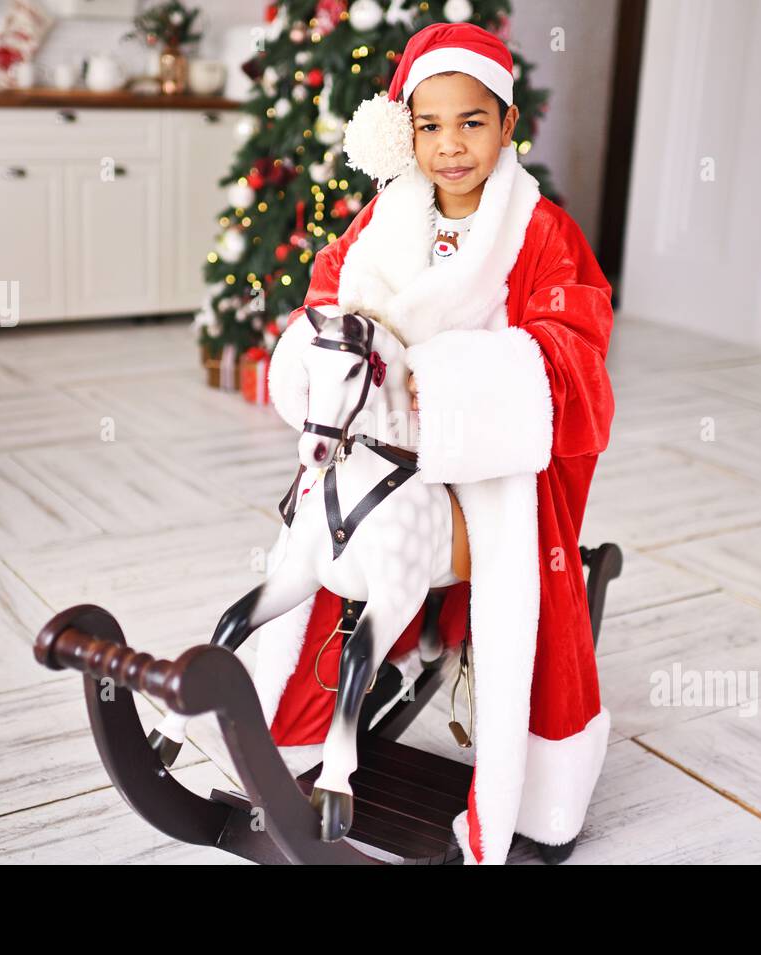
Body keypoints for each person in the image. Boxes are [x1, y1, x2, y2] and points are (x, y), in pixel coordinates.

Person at [254, 21, 616, 865]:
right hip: (383, 439)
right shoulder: (384, 218)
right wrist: (315, 363)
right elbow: (328, 301)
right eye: (429, 125)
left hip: (485, 453)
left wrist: (451, 383)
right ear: (405, 130)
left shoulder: (542, 232)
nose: (450, 146)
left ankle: (522, 790)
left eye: (472, 123)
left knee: (526, 576)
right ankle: (292, 729)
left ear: (507, 124)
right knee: (310, 532)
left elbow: (572, 350)